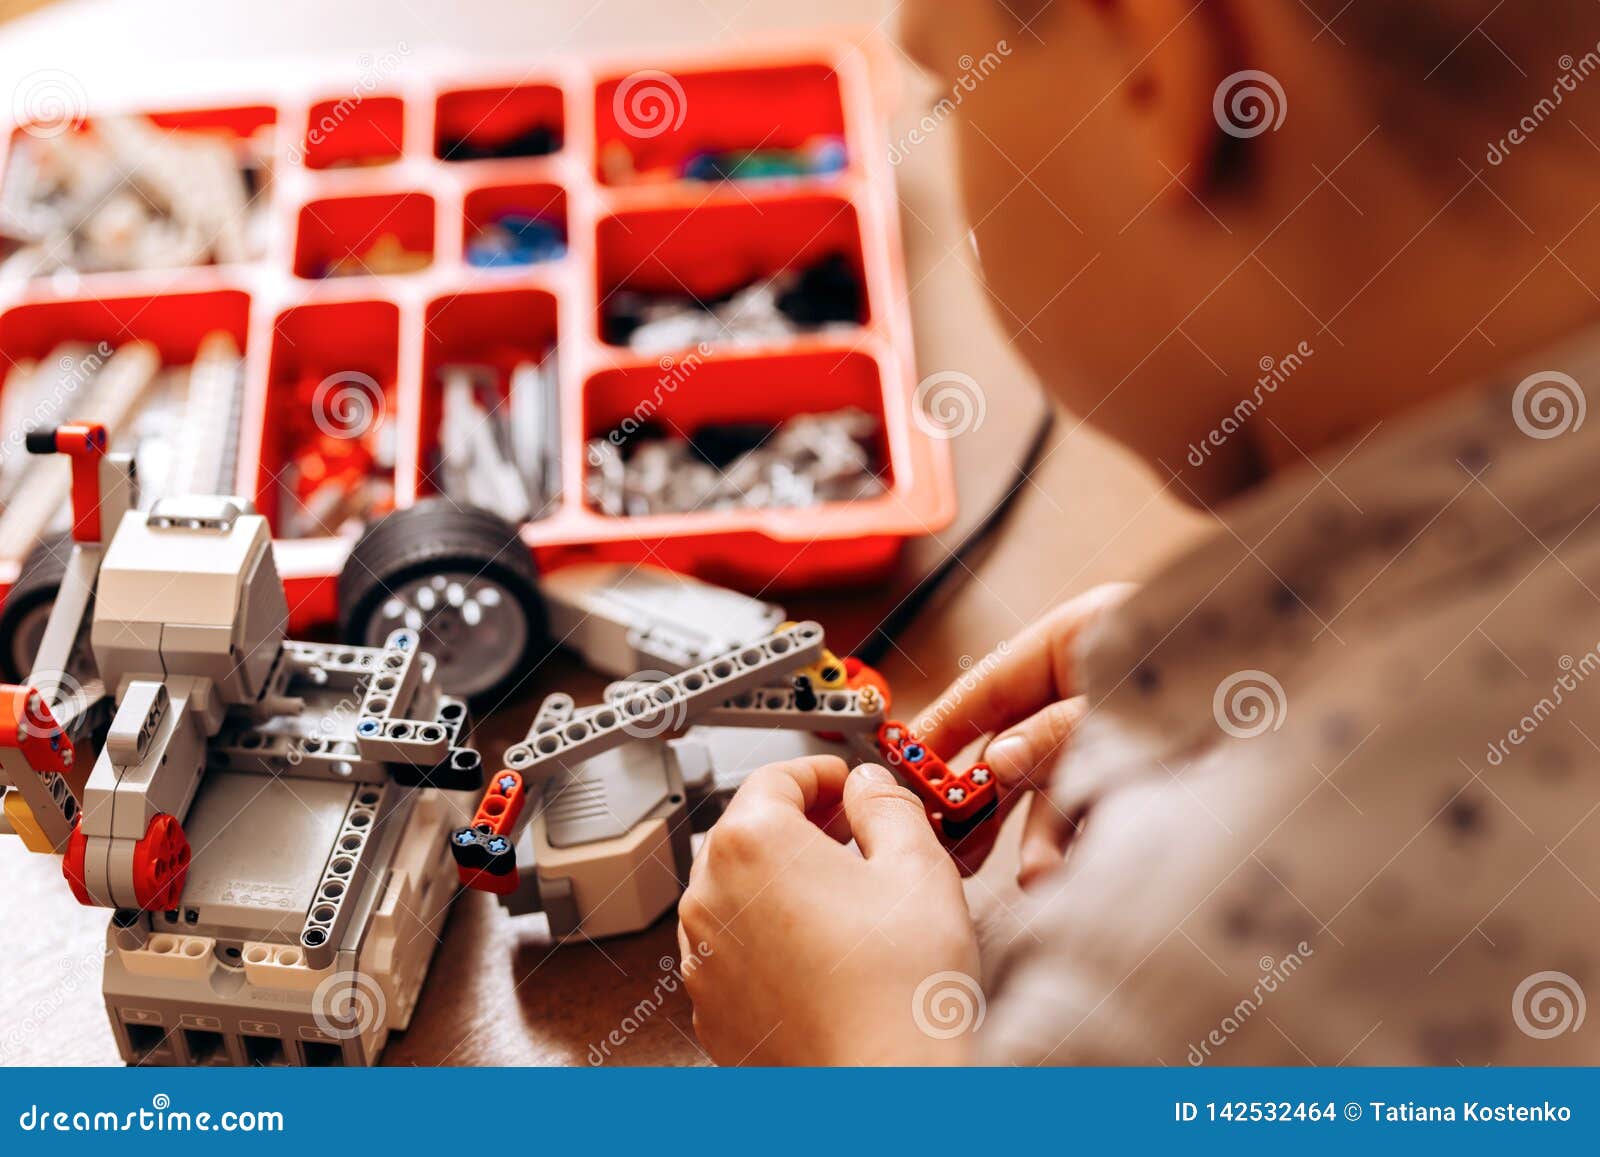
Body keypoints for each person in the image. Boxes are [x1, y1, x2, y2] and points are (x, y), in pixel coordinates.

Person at [677, 0, 1600, 1064]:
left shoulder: (1181, 984)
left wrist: (859, 1045)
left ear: (1155, 68)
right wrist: (1314, 658)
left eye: (949, 90)